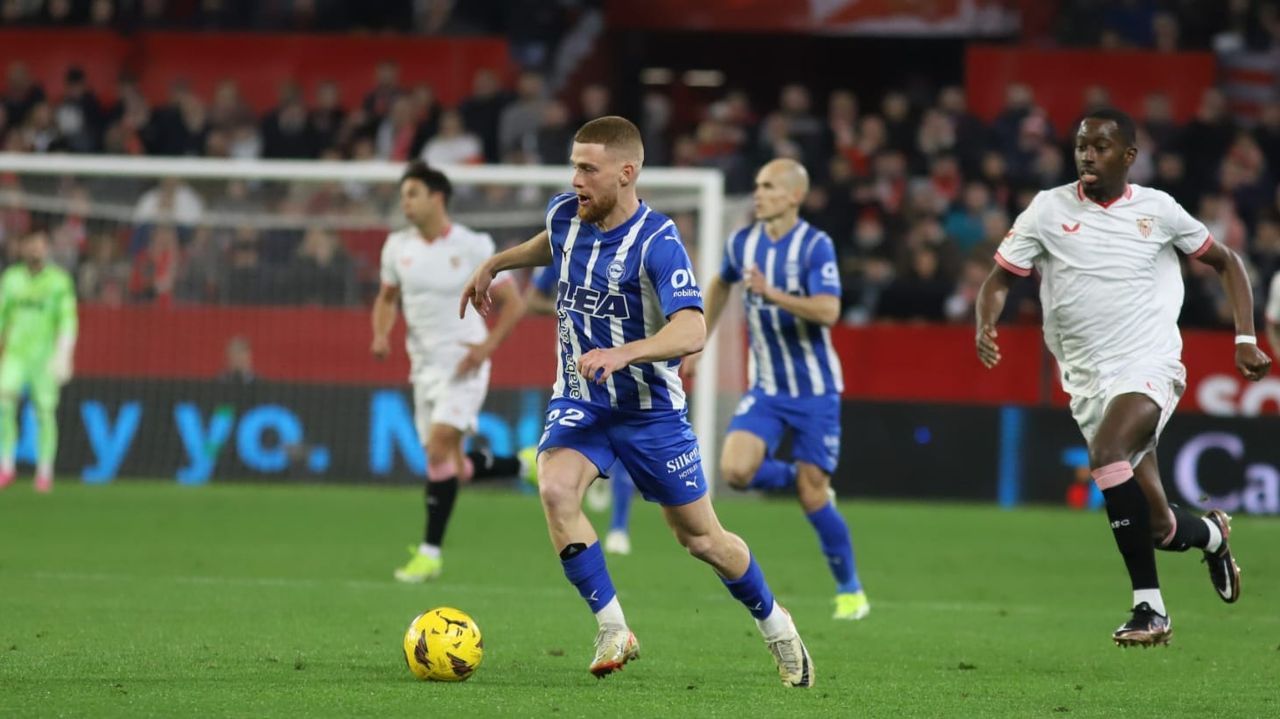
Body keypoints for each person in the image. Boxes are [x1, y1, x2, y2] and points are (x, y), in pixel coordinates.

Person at [460, 116, 813, 687]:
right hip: (581, 398)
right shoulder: (564, 214)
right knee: (553, 487)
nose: (575, 179)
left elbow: (692, 330)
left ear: (626, 174)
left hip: (651, 412)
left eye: (587, 169)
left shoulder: (658, 242)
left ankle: (776, 624)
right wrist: (497, 263)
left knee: (701, 539)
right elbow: (549, 244)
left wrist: (628, 353)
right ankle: (613, 626)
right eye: (573, 165)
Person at [975, 108, 1272, 647]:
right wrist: (985, 320)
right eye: (1081, 145)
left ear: (1128, 156)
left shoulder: (1158, 210)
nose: (1087, 154)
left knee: (1107, 453)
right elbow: (999, 279)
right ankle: (1211, 536)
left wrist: (1245, 338)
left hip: (1149, 362)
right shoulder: (1048, 209)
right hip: (1086, 379)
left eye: (1101, 146)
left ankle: (1149, 610)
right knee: (1158, 527)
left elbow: (1227, 261)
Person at [680, 158, 868, 621]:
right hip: (765, 387)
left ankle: (851, 591)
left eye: (767, 186)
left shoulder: (815, 247)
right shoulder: (743, 243)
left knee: (812, 499)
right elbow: (721, 284)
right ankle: (806, 482)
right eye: (758, 184)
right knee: (735, 471)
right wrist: (698, 337)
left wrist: (772, 293)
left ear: (792, 196)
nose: (758, 193)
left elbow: (828, 311)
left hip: (816, 392)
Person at [372, 160, 526, 583]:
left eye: (412, 194)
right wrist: (381, 334)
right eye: (403, 194)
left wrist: (486, 348)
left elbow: (515, 303)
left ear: (437, 198)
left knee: (438, 449)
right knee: (449, 467)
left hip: (465, 364)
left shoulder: (475, 245)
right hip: (423, 369)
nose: (405, 202)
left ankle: (429, 554)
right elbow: (387, 299)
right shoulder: (395, 248)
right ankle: (525, 466)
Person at [527, 265, 636, 555]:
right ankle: (593, 479)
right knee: (569, 445)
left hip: (618, 363)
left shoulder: (631, 254)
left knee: (624, 439)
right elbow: (532, 299)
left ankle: (619, 527)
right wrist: (565, 309)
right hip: (573, 369)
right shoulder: (563, 251)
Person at [0, 227, 77, 492]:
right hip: (15, 355)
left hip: (44, 357)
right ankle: (6, 466)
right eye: (30, 244)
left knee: (45, 412)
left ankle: (45, 471)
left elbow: (68, 319)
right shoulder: (11, 279)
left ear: (47, 248)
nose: (35, 249)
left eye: (40, 244)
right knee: (3, 406)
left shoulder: (59, 281)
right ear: (22, 248)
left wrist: (64, 352)